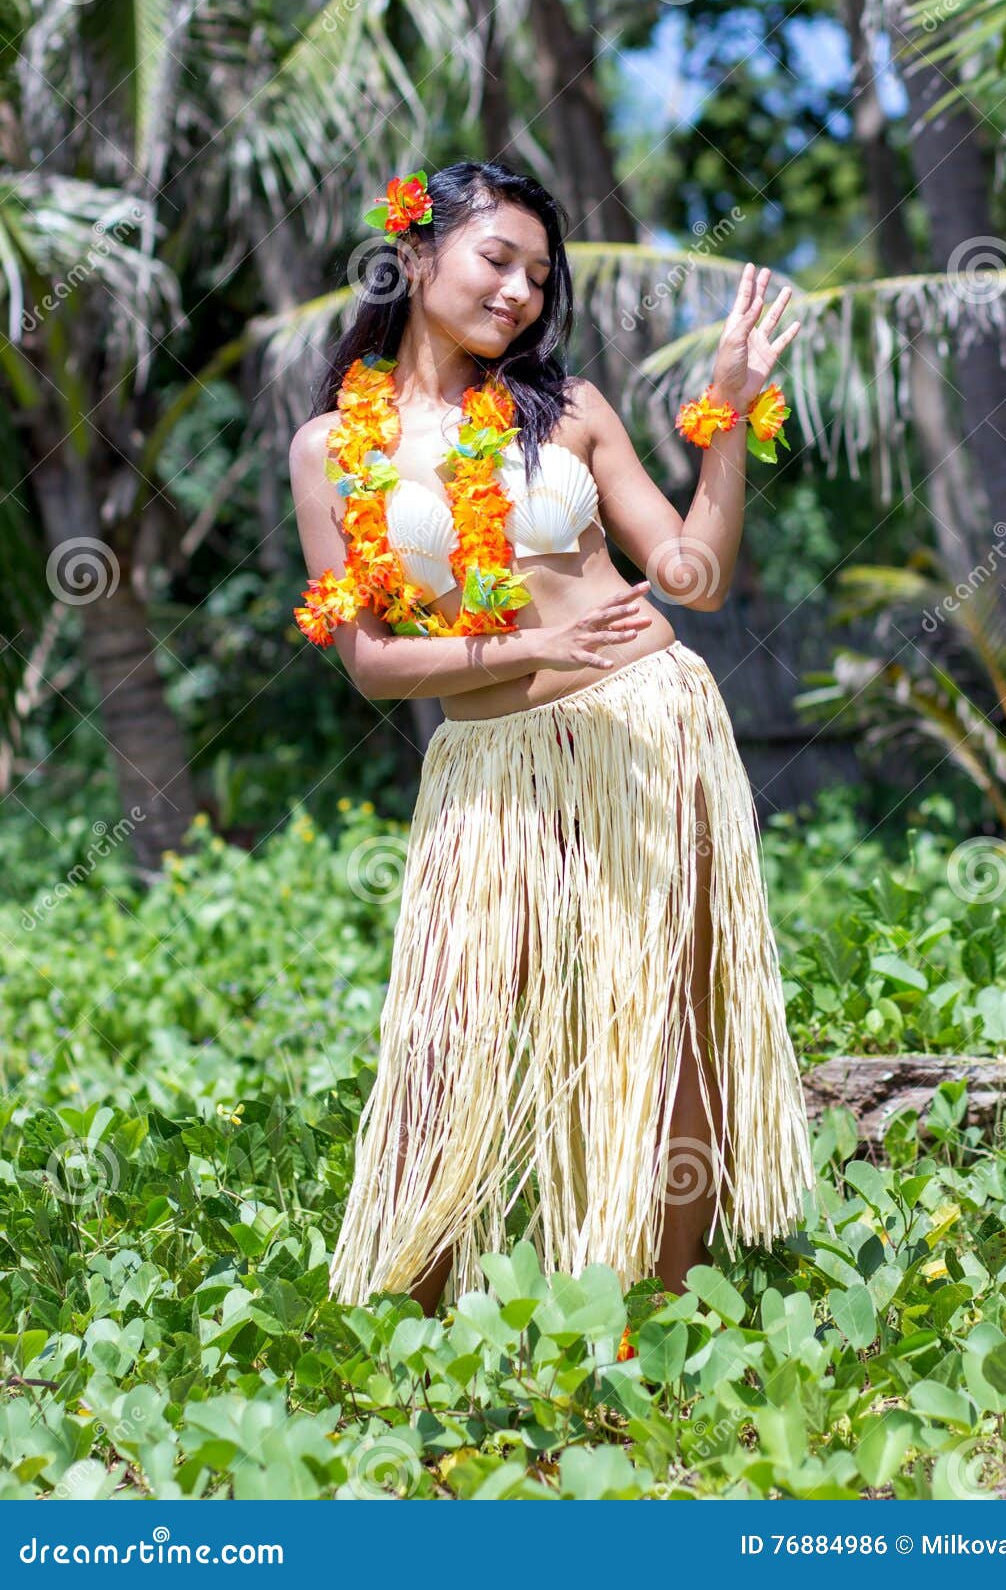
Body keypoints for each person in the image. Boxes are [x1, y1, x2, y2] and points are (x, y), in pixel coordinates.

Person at [289, 159, 814, 1318]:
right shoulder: (332, 448)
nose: (521, 291)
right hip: (483, 760)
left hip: (640, 727)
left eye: (539, 272)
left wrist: (724, 410)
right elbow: (372, 663)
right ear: (414, 254)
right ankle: (415, 1326)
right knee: (445, 1042)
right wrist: (527, 657)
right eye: (497, 259)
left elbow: (693, 573)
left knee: (659, 1024)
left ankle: (663, 1326)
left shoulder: (567, 410)